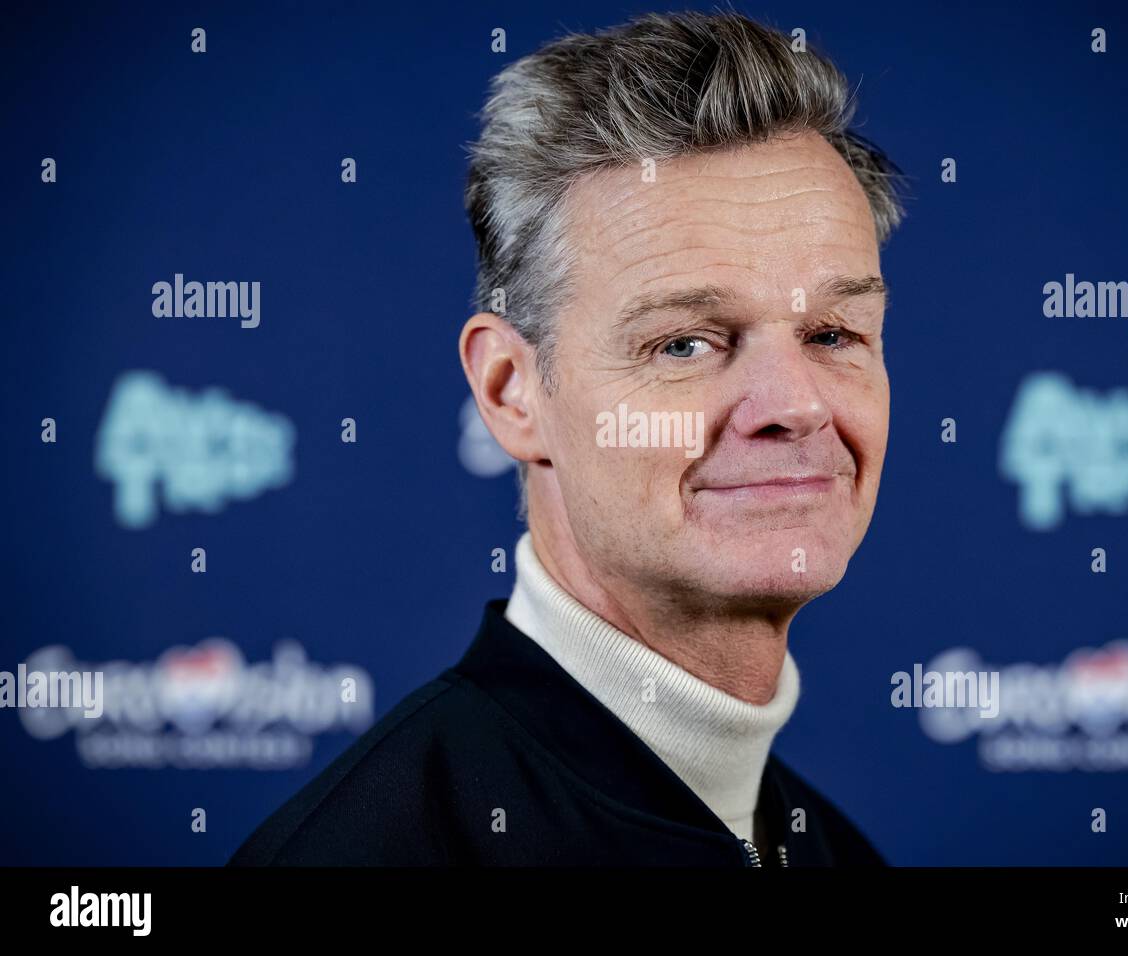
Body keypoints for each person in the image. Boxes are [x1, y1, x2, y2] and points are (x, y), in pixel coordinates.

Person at [230, 8, 903, 867]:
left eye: (833, 335)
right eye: (684, 343)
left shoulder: (834, 852)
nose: (794, 405)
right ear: (513, 394)